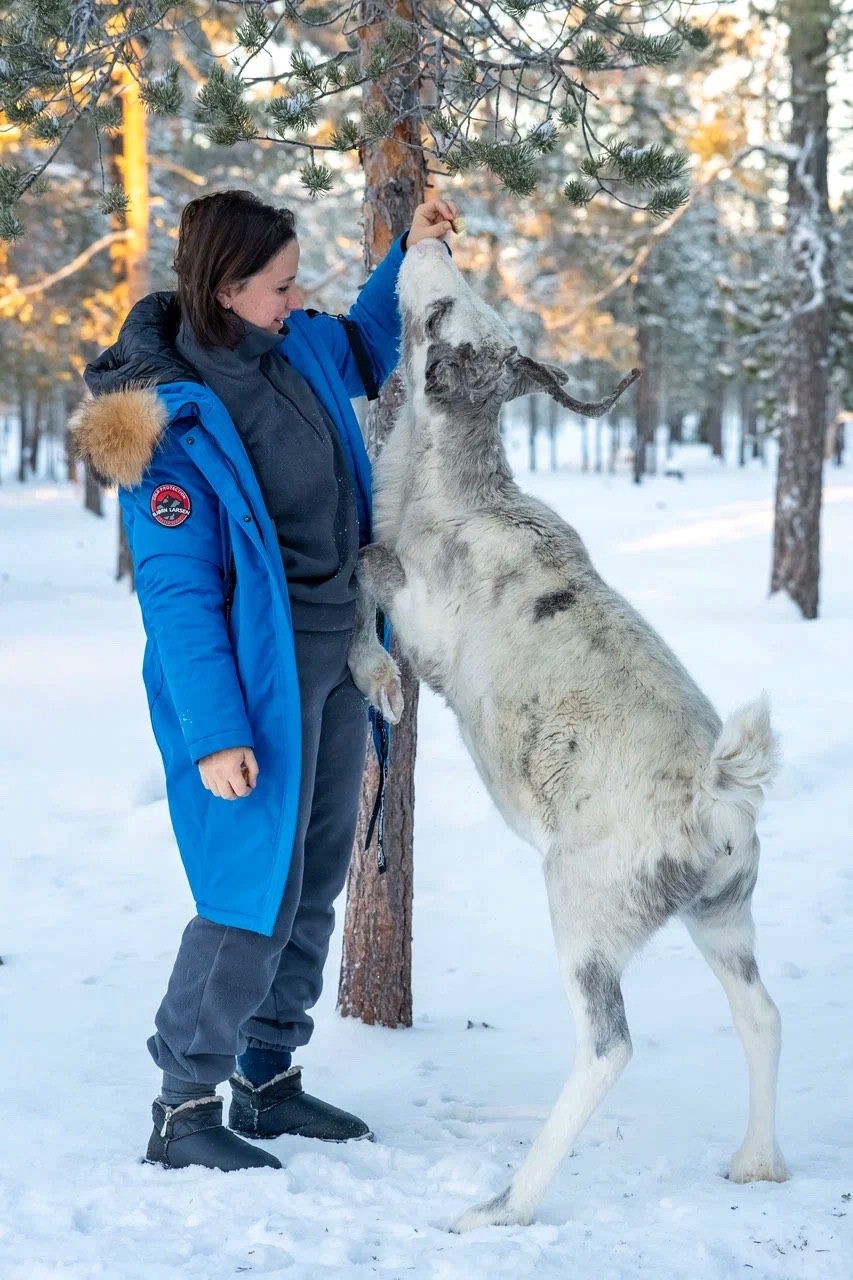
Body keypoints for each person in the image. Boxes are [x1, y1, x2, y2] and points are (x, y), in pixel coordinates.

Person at [74, 188, 458, 1171]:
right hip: (254, 683)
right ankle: (183, 1102)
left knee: (313, 880)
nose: (297, 297)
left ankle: (266, 1074)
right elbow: (178, 592)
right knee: (250, 889)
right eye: (281, 285)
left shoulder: (299, 350)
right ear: (227, 287)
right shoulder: (170, 417)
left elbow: (369, 338)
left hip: (338, 659)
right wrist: (216, 733)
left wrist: (409, 250)